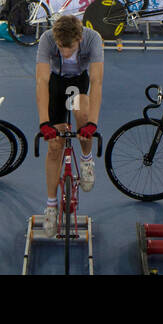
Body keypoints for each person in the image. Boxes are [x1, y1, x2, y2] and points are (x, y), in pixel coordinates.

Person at [35, 15, 104, 237]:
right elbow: (42, 81)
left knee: (81, 114)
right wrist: (44, 123)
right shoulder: (47, 39)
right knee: (54, 146)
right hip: (56, 83)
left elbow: (97, 82)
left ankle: (86, 160)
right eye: (61, 48)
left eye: (70, 48)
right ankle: (51, 204)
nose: (65, 53)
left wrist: (92, 123)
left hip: (78, 83)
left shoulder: (93, 39)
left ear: (80, 38)